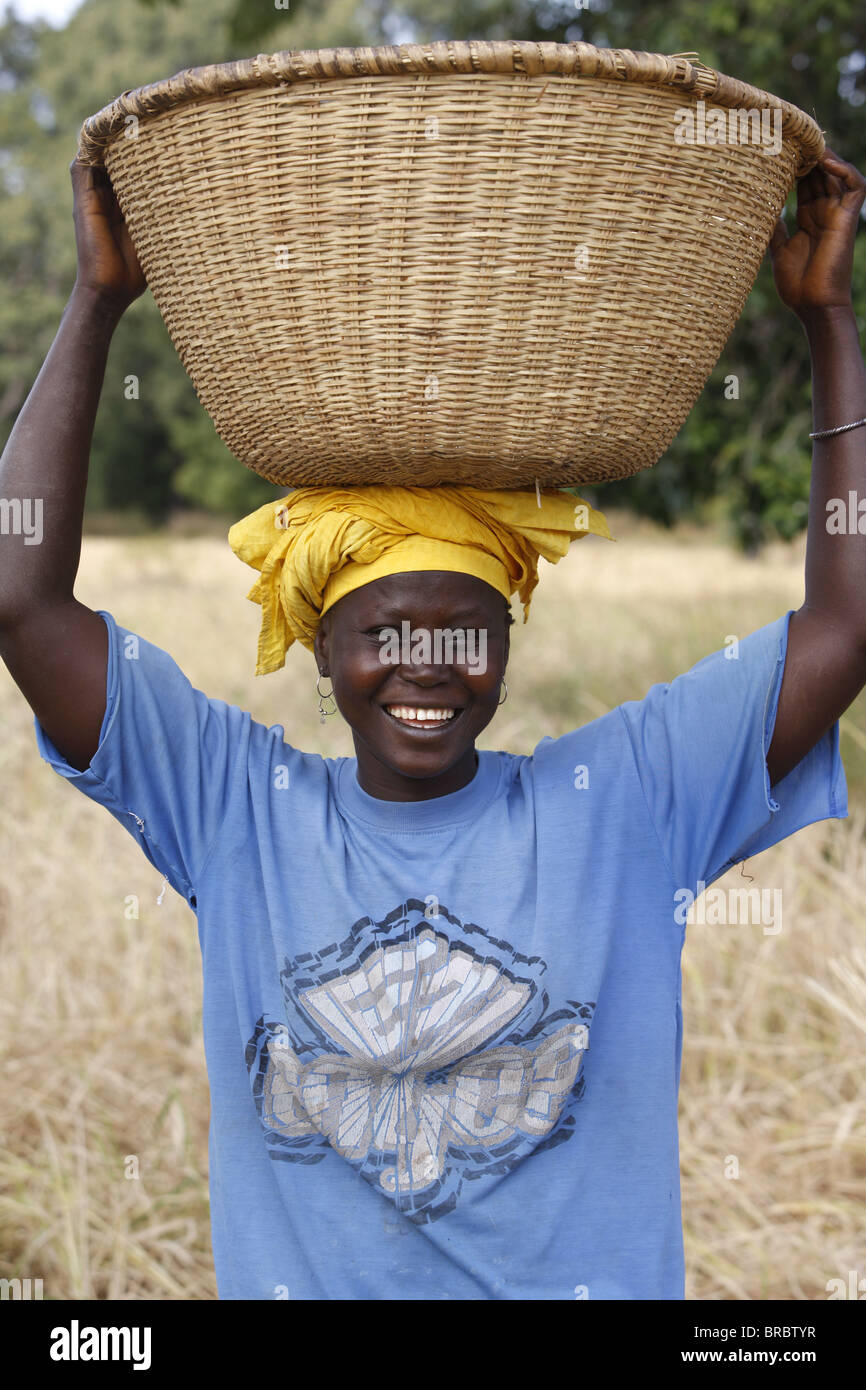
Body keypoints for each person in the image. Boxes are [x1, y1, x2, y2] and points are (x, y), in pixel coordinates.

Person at [0, 146, 864, 1302]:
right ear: (320, 648)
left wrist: (826, 325)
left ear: (504, 647)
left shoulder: (628, 802)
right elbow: (19, 598)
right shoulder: (232, 810)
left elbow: (846, 625)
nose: (427, 666)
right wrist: (96, 301)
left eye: (464, 630)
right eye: (383, 632)